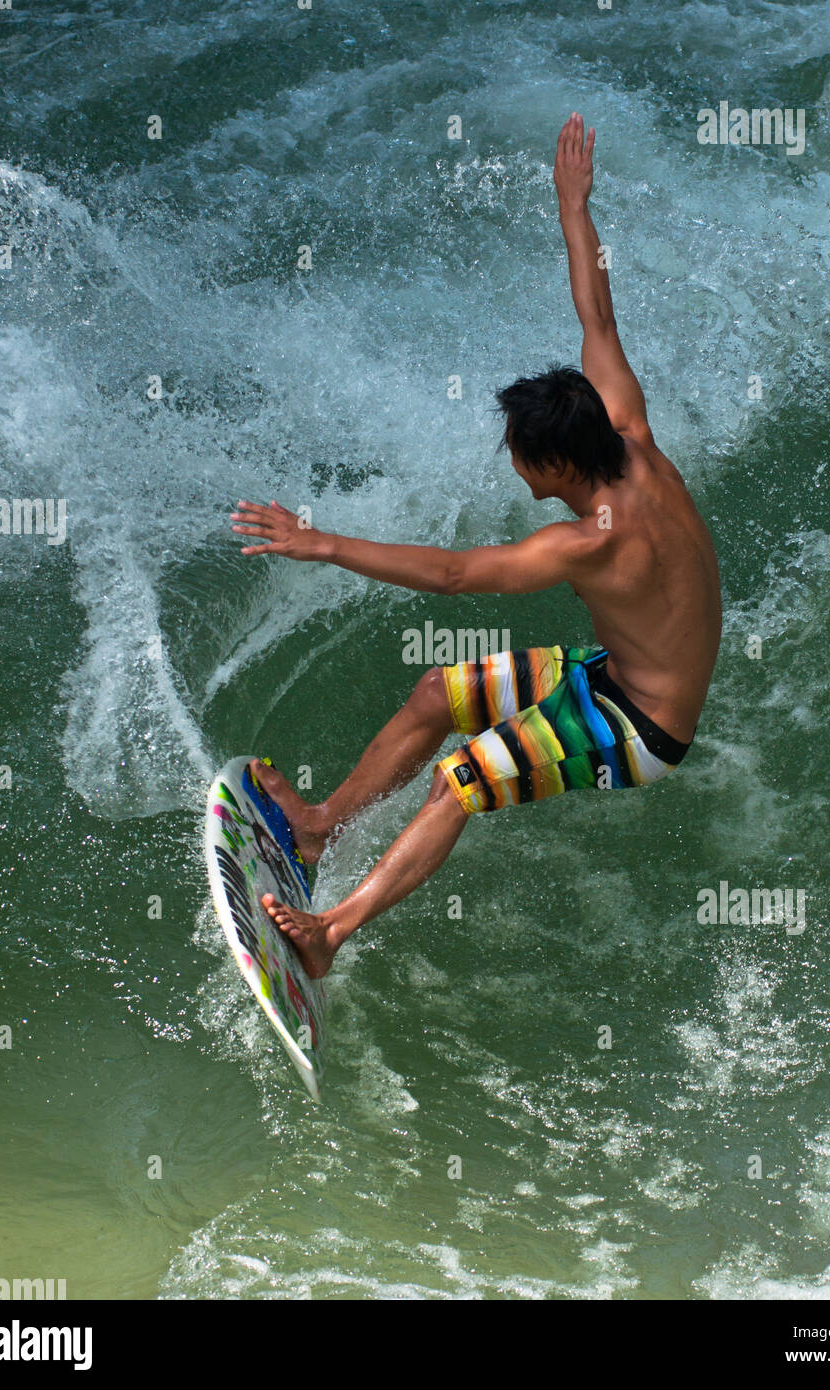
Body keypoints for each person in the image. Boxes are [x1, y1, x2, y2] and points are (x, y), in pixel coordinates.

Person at [230, 113, 721, 979]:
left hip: (638, 725)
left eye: (519, 452)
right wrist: (574, 205)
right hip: (617, 671)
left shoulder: (592, 542)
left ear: (556, 463)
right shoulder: (628, 432)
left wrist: (322, 543)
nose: (510, 460)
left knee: (461, 778)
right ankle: (316, 826)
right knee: (436, 693)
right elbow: (596, 314)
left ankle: (330, 935)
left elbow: (455, 575)